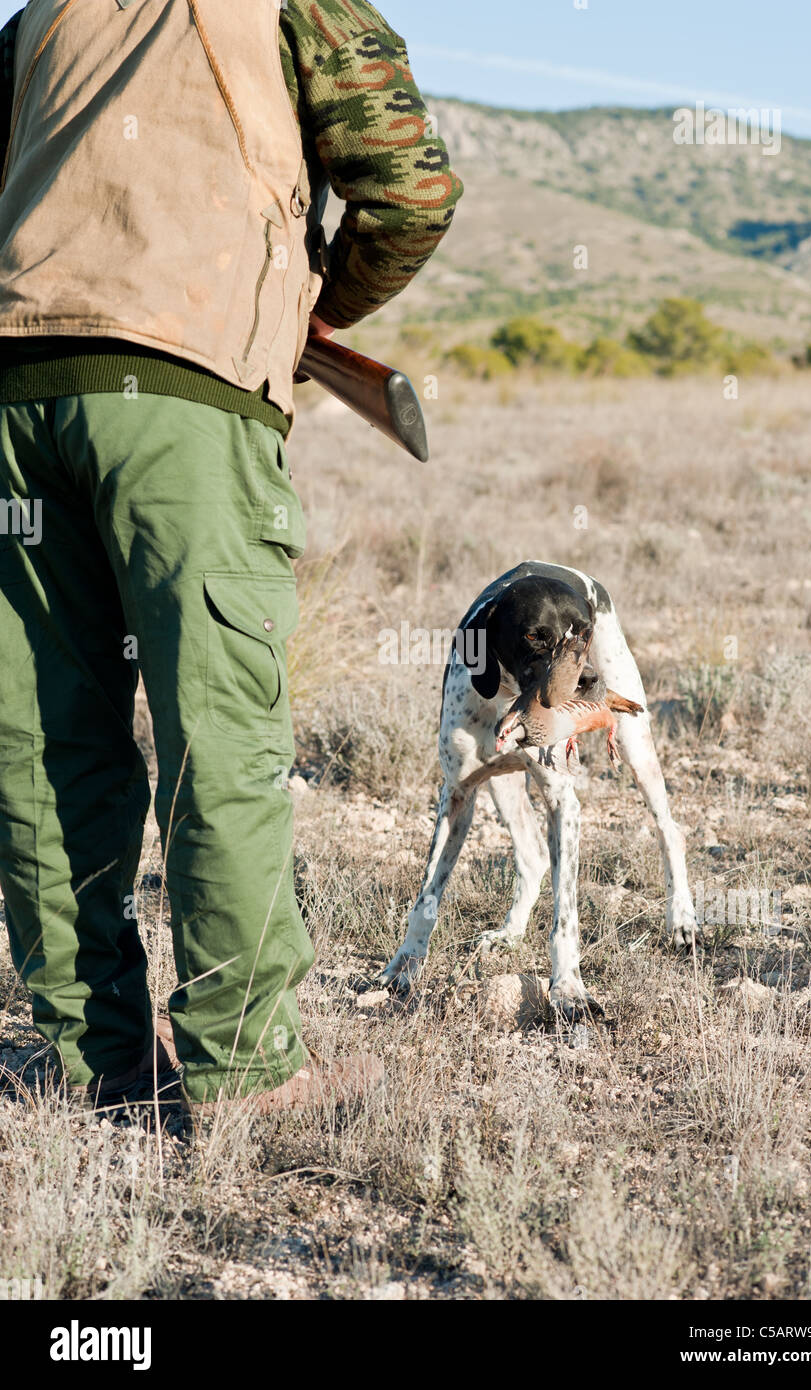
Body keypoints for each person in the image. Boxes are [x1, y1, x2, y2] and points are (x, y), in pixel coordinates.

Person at [0, 0, 462, 1114]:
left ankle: (89, 1059)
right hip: (180, 393)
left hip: (15, 394)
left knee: (47, 743)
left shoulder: (38, 15)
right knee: (221, 734)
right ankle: (245, 1065)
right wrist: (306, 312)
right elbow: (410, 190)